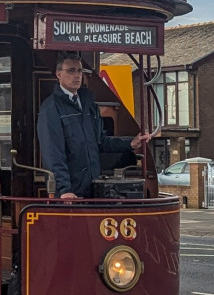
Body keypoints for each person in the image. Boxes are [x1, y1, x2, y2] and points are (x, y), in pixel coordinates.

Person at [36, 53, 150, 199]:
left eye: (79, 71)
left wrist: (130, 143)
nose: (77, 75)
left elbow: (100, 141)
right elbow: (53, 155)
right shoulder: (50, 109)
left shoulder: (89, 104)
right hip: (70, 194)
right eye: (71, 71)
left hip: (93, 187)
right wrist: (64, 190)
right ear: (59, 74)